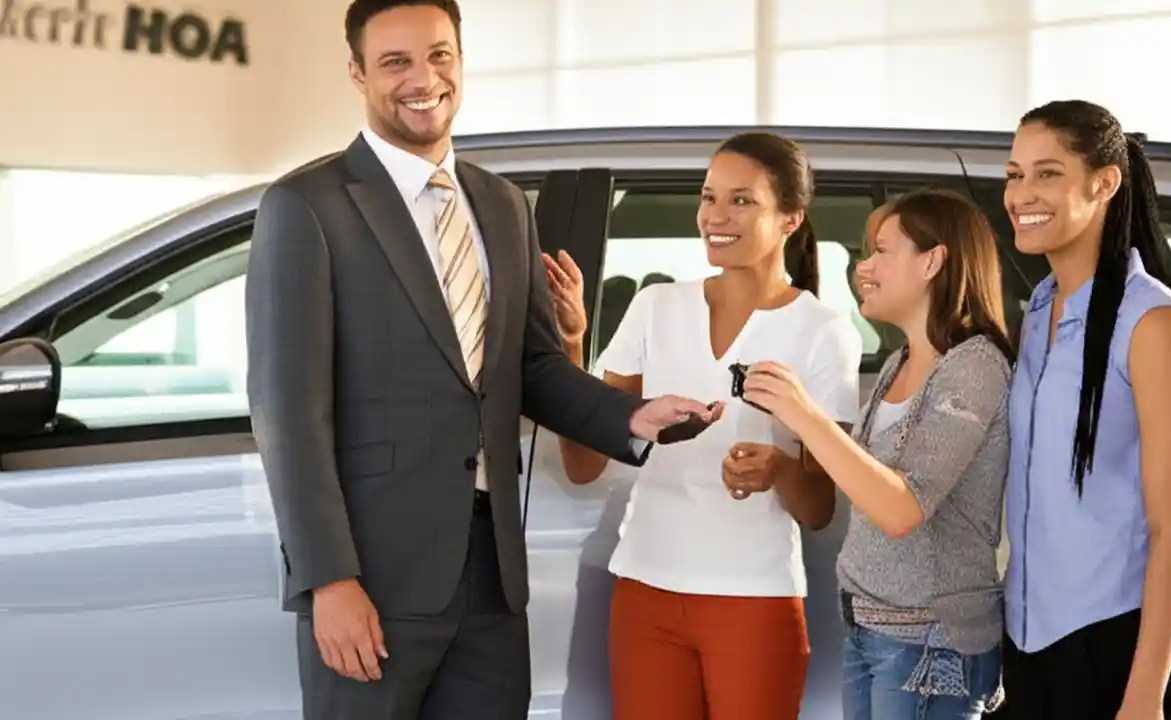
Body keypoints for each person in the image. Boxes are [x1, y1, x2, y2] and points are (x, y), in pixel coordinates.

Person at [244, 2, 718, 719]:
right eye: (395, 62)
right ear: (357, 73)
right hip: (373, 577)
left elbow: (532, 367)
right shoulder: (307, 206)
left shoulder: (502, 205)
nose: (423, 79)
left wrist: (632, 416)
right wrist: (328, 581)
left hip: (492, 578)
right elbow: (288, 414)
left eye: (439, 55)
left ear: (460, 62)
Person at [542, 131, 863, 720]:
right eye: (709, 197)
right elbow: (583, 466)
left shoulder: (823, 332)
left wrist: (778, 468)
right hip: (645, 591)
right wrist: (571, 343)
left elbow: (819, 509)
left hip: (755, 599)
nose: (715, 216)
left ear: (790, 217)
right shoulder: (655, 307)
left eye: (742, 200)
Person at [741, 189, 1015, 719]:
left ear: (932, 262)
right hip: (870, 630)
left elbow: (901, 509)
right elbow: (868, 484)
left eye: (880, 252)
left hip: (929, 644)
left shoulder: (973, 368)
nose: (862, 268)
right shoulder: (897, 363)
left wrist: (806, 415)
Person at [1001, 99, 1171, 719]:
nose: (1021, 194)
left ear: (1105, 183)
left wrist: (1145, 697)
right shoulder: (1038, 313)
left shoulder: (1154, 322)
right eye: (1015, 174)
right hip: (1033, 638)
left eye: (1048, 173)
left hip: (1125, 636)